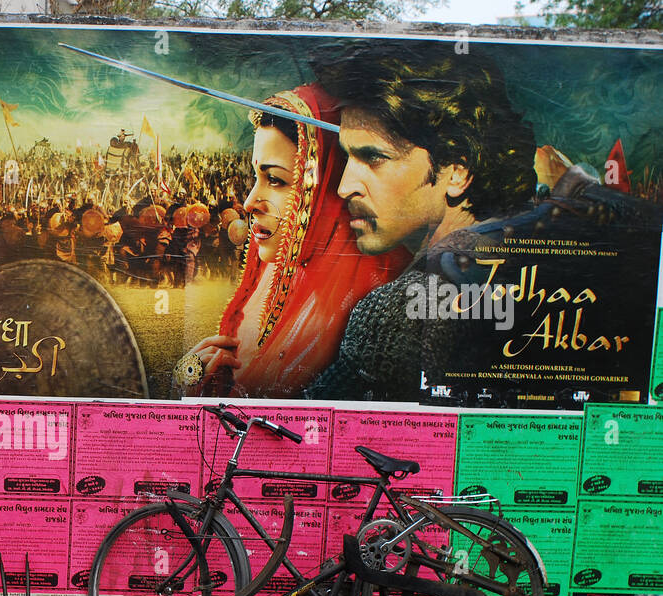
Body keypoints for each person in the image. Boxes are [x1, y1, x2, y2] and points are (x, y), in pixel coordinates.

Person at [301, 46, 538, 401]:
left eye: (373, 157)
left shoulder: (392, 312)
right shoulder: (542, 262)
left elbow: (312, 430)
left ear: (457, 171)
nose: (344, 186)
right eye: (349, 156)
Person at [180, 85, 410, 398]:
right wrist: (188, 377)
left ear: (327, 185)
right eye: (256, 177)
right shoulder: (279, 268)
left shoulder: (386, 297)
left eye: (275, 179)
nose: (249, 202)